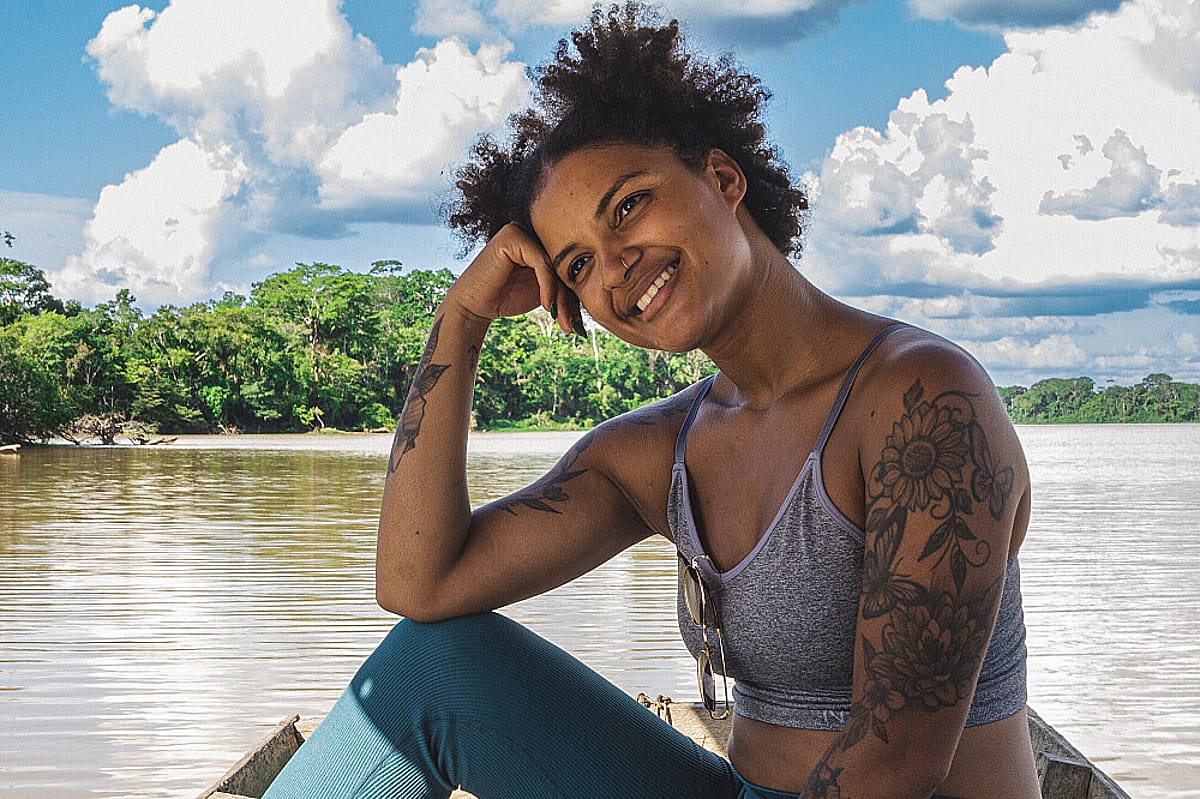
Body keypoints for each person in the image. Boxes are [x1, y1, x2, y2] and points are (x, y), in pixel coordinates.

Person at [263, 4, 1038, 797]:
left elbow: (897, 760)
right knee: (431, 664)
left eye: (628, 205)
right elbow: (417, 582)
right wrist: (458, 320)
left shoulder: (923, 399)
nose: (615, 267)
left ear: (725, 178)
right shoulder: (660, 452)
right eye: (575, 266)